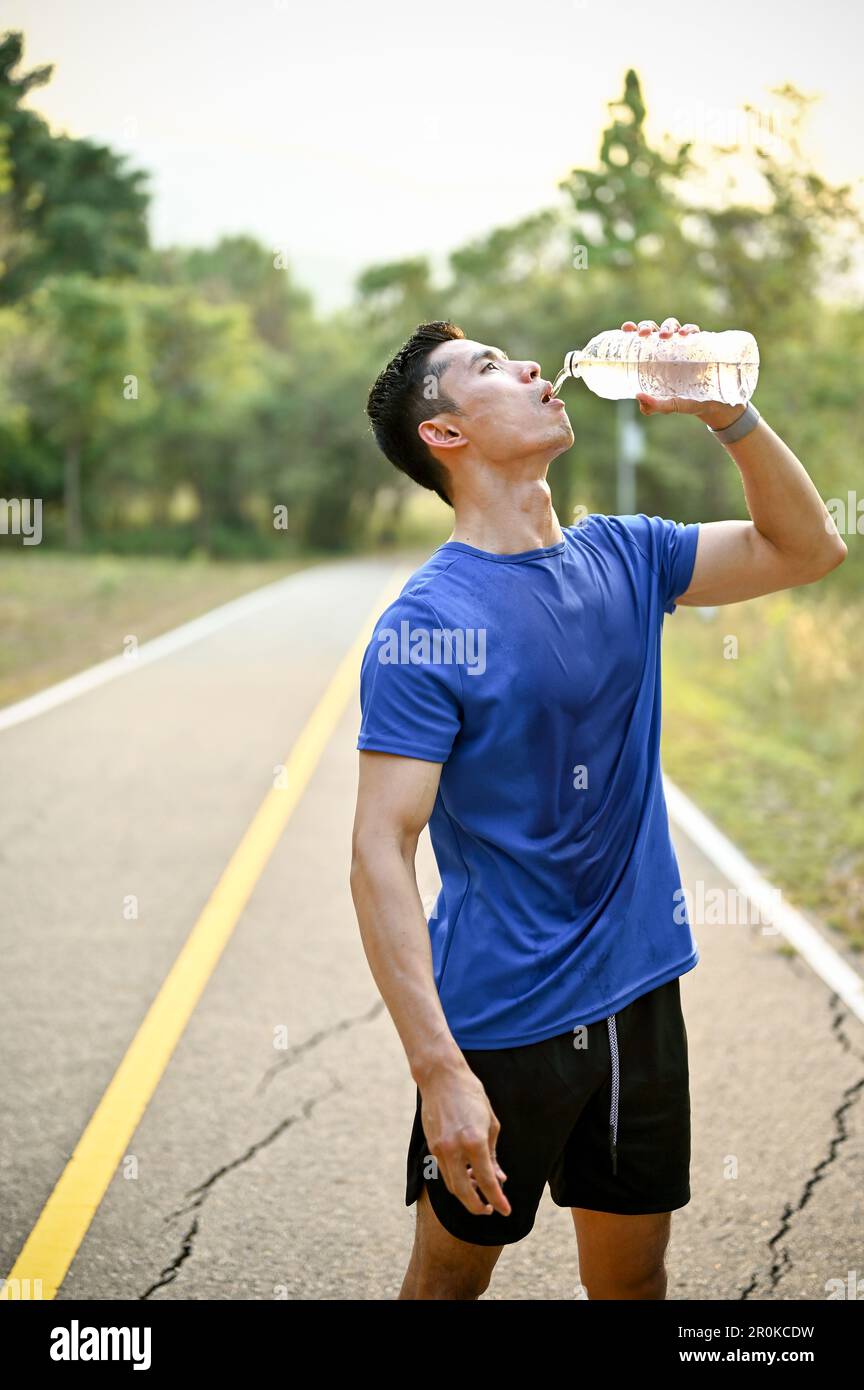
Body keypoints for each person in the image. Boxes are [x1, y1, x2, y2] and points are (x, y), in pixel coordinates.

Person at [349, 315, 846, 1300]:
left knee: (634, 1284)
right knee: (446, 1284)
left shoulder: (626, 555)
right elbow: (378, 848)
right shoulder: (426, 623)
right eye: (490, 367)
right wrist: (439, 1069)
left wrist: (726, 410)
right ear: (444, 434)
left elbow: (808, 547)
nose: (532, 365)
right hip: (502, 1020)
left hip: (639, 994)